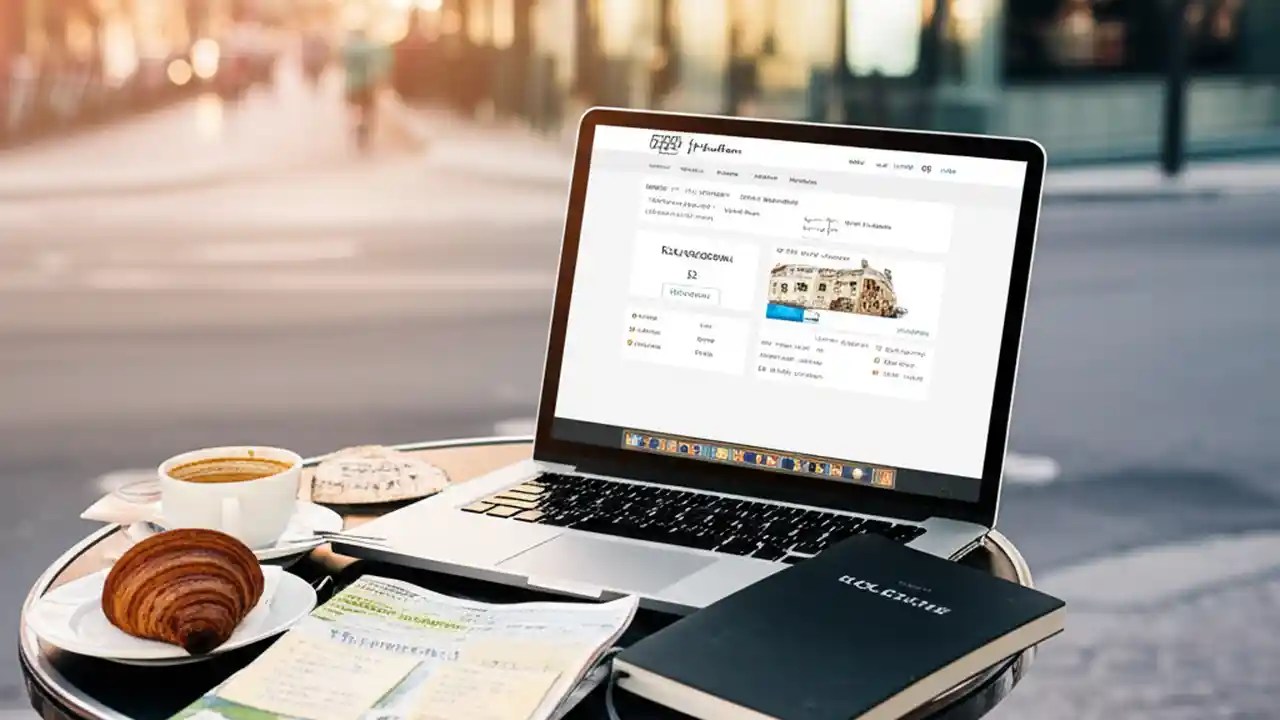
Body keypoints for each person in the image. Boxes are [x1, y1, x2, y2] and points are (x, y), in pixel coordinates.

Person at [341, 28, 387, 152]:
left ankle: (356, 128)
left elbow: (343, 64)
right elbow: (377, 65)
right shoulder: (369, 48)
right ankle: (365, 130)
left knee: (354, 110)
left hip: (352, 84)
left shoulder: (349, 49)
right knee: (368, 110)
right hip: (367, 84)